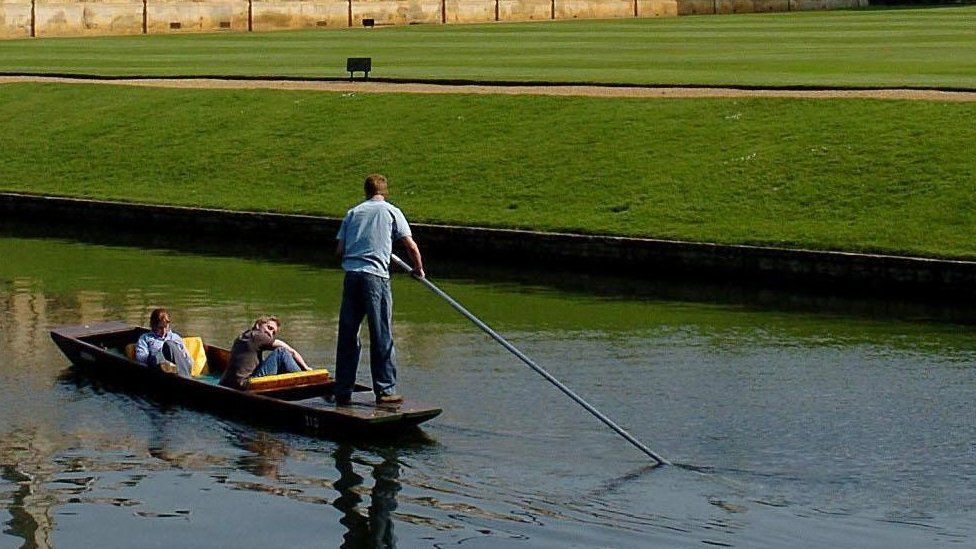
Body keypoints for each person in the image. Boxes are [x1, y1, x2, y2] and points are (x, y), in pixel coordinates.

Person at [334, 173, 425, 406]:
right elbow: (410, 246)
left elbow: (339, 250)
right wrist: (418, 269)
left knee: (348, 336)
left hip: (352, 276)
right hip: (375, 278)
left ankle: (343, 390)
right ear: (385, 192)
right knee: (381, 334)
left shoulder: (353, 213)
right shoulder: (391, 211)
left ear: (366, 191)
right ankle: (385, 391)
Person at [218, 315, 311, 390]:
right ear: (258, 325)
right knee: (281, 353)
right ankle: (307, 384)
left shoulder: (243, 337)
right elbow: (291, 352)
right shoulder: (257, 336)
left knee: (271, 362)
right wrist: (306, 369)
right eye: (269, 328)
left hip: (226, 385)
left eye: (273, 333)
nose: (270, 333)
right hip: (245, 385)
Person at [135, 308, 193, 377]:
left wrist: (187, 366)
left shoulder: (175, 337)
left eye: (166, 327)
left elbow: (187, 357)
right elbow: (140, 357)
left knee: (168, 344)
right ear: (153, 325)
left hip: (180, 367)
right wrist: (155, 357)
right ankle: (167, 366)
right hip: (158, 367)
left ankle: (177, 371)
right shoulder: (145, 338)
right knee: (155, 356)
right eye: (160, 328)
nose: (163, 331)